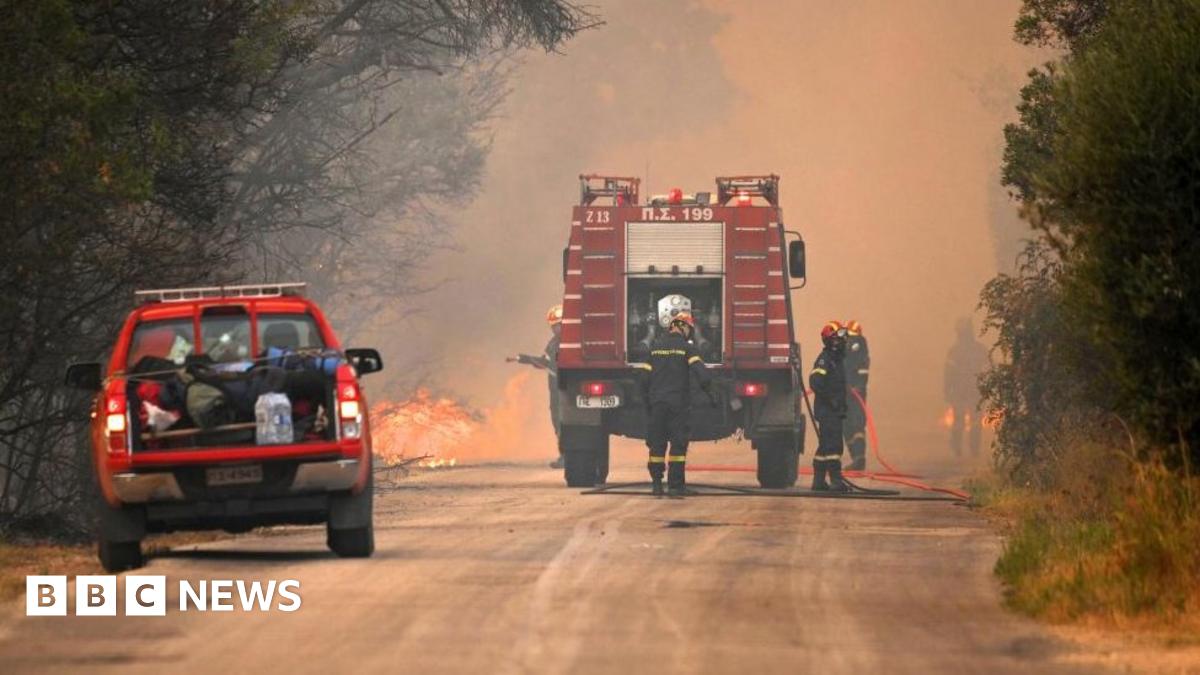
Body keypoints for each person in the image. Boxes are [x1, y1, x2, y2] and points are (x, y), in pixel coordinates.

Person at [638, 311, 713, 497]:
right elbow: (702, 375)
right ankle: (675, 486)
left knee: (657, 445)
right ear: (684, 327)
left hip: (658, 404)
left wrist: (648, 402)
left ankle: (656, 485)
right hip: (678, 405)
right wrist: (710, 394)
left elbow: (643, 379)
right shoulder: (687, 349)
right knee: (677, 446)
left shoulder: (654, 348)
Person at [508, 305, 564, 468]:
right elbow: (544, 363)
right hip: (555, 388)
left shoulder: (574, 341)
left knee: (564, 420)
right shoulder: (553, 343)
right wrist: (524, 358)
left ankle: (568, 456)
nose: (556, 329)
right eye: (553, 326)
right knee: (557, 420)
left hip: (567, 387)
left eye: (559, 324)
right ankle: (564, 455)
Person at [810, 321, 850, 492]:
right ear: (830, 341)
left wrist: (840, 403)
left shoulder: (836, 360)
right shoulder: (825, 359)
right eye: (838, 337)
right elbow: (815, 382)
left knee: (825, 445)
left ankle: (818, 482)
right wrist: (831, 399)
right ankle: (836, 481)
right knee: (833, 446)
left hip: (833, 409)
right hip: (827, 410)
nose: (842, 341)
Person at [944, 317, 989, 456]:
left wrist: (947, 390)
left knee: (962, 420)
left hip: (964, 391)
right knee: (970, 421)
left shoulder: (954, 351)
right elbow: (988, 369)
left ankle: (960, 447)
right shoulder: (980, 349)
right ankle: (970, 448)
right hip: (973, 391)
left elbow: (948, 374)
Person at [842, 319, 870, 471]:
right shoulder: (847, 346)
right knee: (847, 425)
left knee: (856, 423)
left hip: (855, 392)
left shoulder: (857, 344)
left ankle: (859, 458)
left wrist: (858, 386)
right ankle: (857, 459)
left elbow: (862, 369)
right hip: (845, 392)